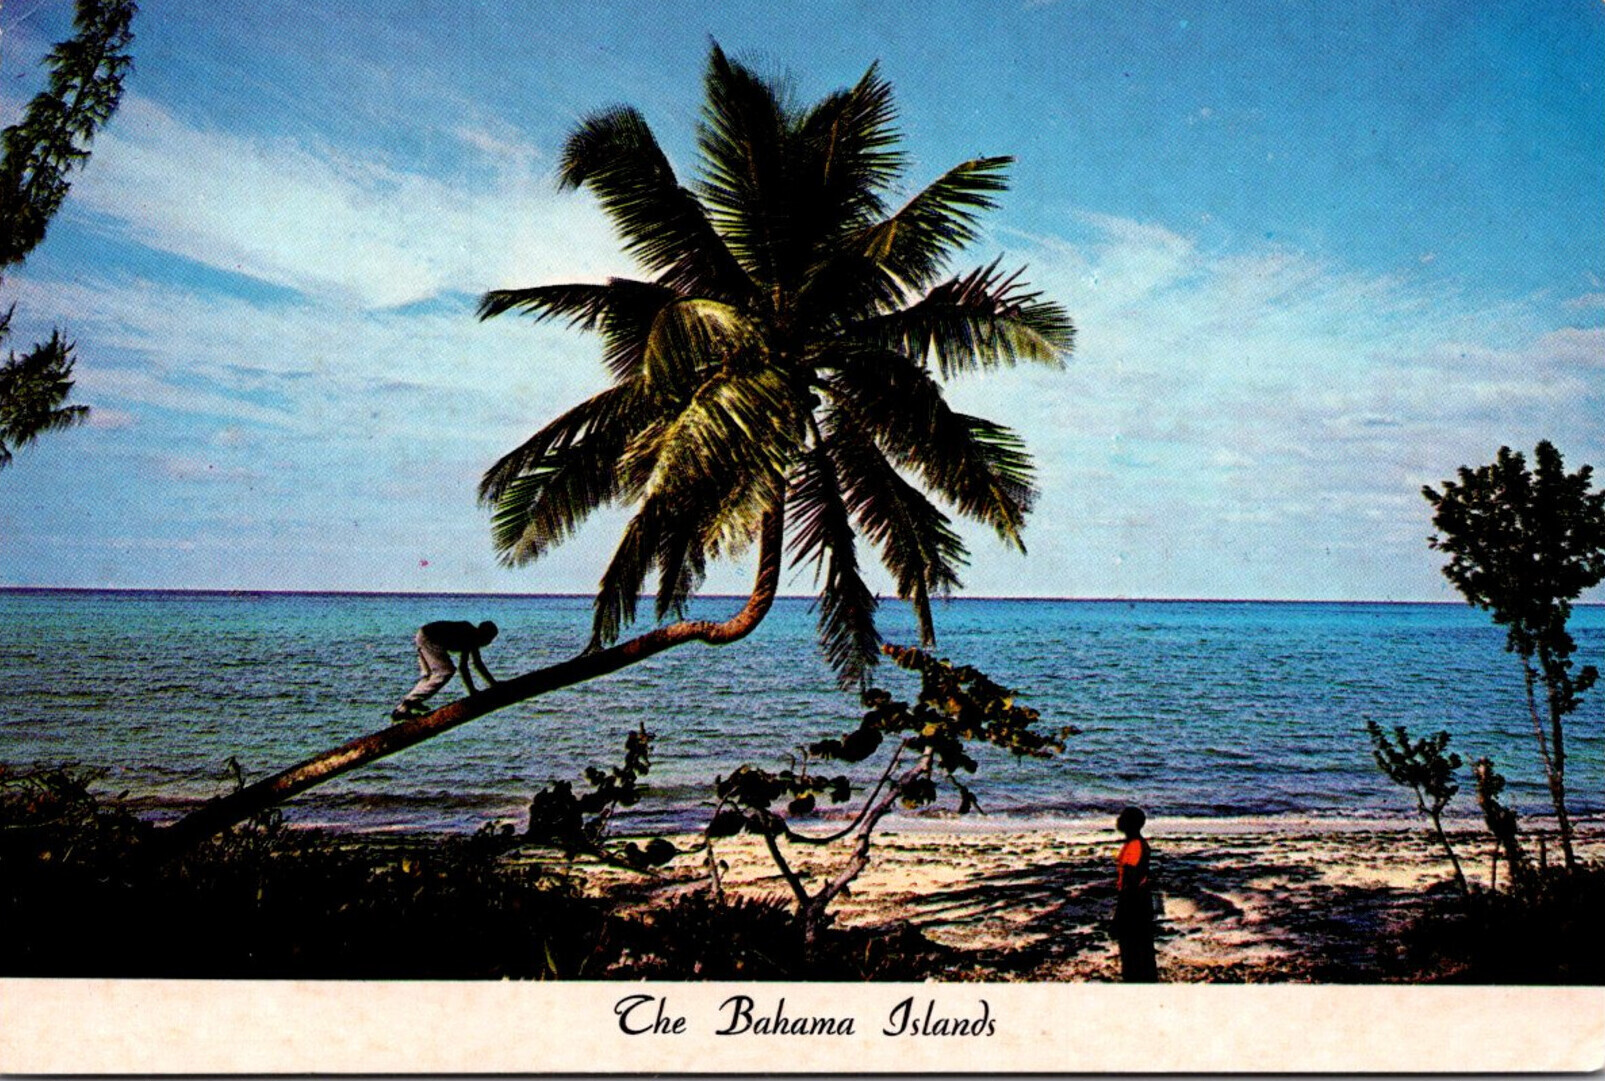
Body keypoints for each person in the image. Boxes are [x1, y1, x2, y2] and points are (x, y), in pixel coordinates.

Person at [391, 620, 499, 721]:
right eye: (490, 639)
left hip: (423, 635)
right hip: (429, 638)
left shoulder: (472, 635)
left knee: (429, 677)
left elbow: (477, 664)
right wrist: (473, 691)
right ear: (484, 635)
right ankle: (410, 702)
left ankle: (403, 708)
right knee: (445, 672)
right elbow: (464, 667)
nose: (489, 642)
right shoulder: (470, 635)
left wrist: (492, 684)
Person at [1112, 805, 1159, 982]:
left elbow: (1130, 885)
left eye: (1122, 818)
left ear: (1129, 823)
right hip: (1139, 901)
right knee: (1140, 951)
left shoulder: (1135, 846)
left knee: (1134, 952)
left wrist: (1118, 916)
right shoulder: (1136, 844)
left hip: (1134, 904)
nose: (1119, 820)